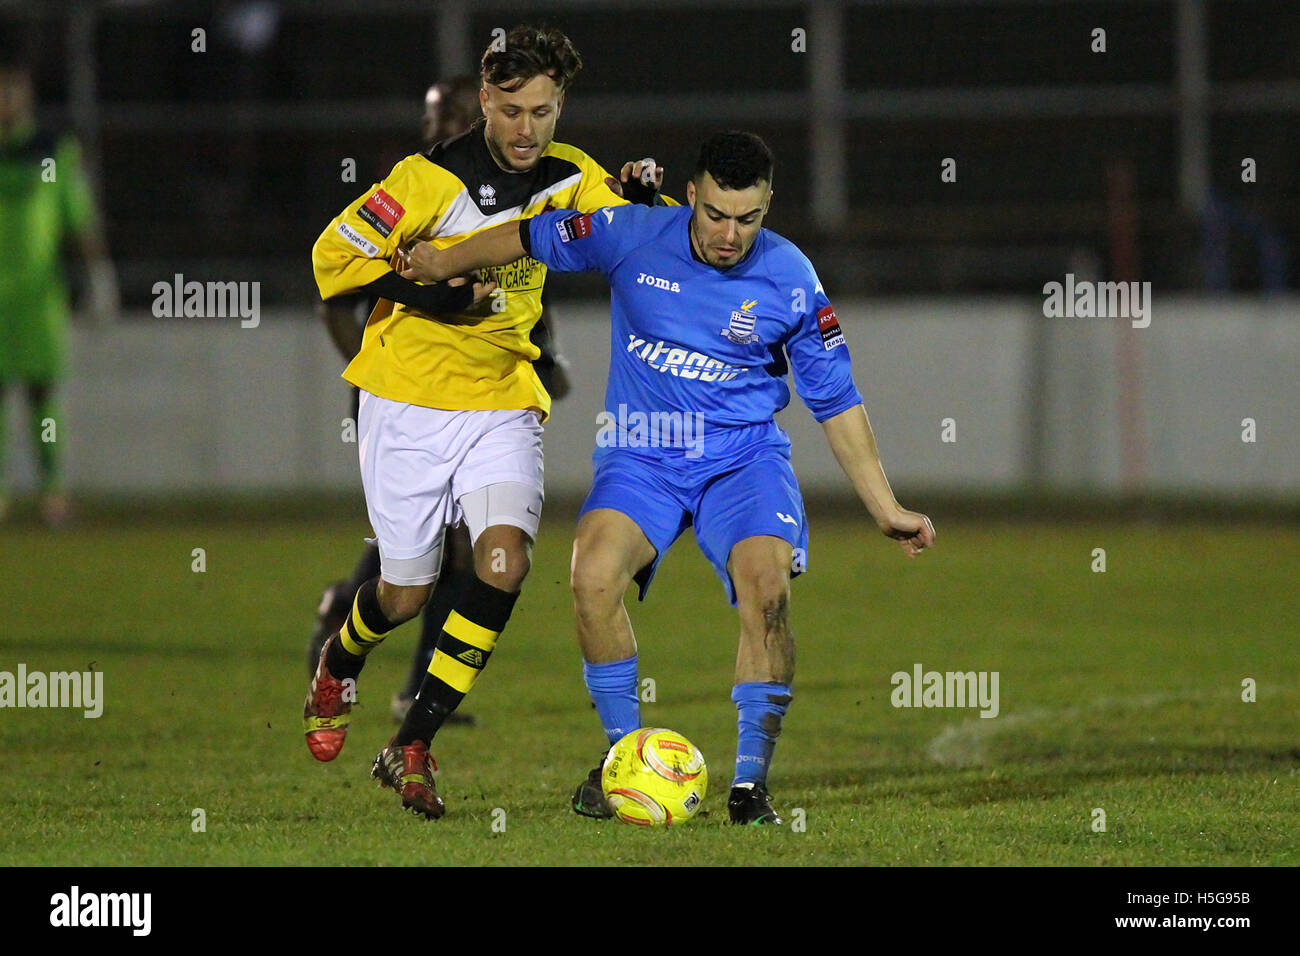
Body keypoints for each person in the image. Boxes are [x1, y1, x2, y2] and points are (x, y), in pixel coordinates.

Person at [401, 130, 936, 825]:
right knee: (591, 575)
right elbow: (526, 237)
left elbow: (836, 400)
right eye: (715, 214)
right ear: (692, 196)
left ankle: (749, 788)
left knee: (766, 588)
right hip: (643, 456)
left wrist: (885, 506)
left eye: (747, 219)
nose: (728, 234)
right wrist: (443, 256)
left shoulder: (792, 278)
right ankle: (628, 760)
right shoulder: (630, 233)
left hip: (742, 460)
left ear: (768, 207)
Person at [305, 24, 665, 819]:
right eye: (510, 111)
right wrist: (435, 293)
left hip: (502, 396)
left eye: (543, 111)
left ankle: (414, 743)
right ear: (484, 101)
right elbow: (334, 258)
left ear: (559, 105)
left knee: (502, 564)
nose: (527, 130)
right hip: (404, 397)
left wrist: (641, 187)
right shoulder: (425, 180)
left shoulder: (570, 175)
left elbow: (630, 217)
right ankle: (341, 659)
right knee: (402, 594)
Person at [307, 74, 575, 730]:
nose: (442, 124)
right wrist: (370, 369)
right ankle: (348, 618)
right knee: (415, 566)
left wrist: (545, 354)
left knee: (475, 552)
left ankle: (417, 707)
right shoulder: (413, 187)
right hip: (401, 392)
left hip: (485, 399)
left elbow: (528, 277)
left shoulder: (515, 184)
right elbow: (336, 287)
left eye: (451, 112)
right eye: (437, 114)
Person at [0, 56, 117, 526]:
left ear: (26, 94)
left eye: (13, 88)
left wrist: (98, 275)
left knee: (41, 394)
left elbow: (77, 215)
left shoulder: (51, 150)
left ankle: (53, 493)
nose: (6, 99)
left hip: (38, 296)